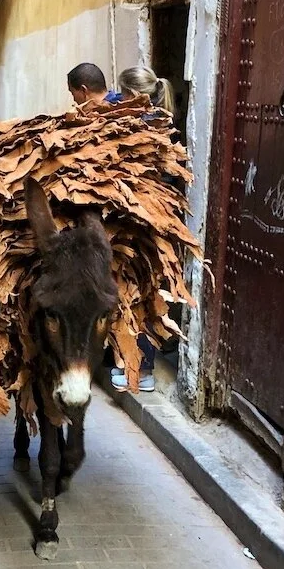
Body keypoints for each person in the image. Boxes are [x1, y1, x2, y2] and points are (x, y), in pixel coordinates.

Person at [110, 65, 178, 394]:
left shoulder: (144, 130)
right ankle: (135, 366)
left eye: (121, 95)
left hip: (143, 228)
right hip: (154, 227)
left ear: (132, 95)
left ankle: (142, 370)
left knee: (137, 294)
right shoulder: (162, 122)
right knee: (141, 293)